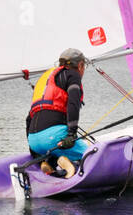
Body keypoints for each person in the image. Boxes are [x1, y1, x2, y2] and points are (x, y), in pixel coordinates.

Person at [23, 48, 91, 178]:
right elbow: (73, 104)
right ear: (81, 65)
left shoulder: (44, 80)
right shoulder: (73, 75)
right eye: (84, 66)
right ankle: (66, 163)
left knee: (55, 148)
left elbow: (28, 118)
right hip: (53, 138)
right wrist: (71, 134)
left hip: (33, 140)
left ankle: (48, 162)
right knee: (93, 156)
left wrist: (34, 152)